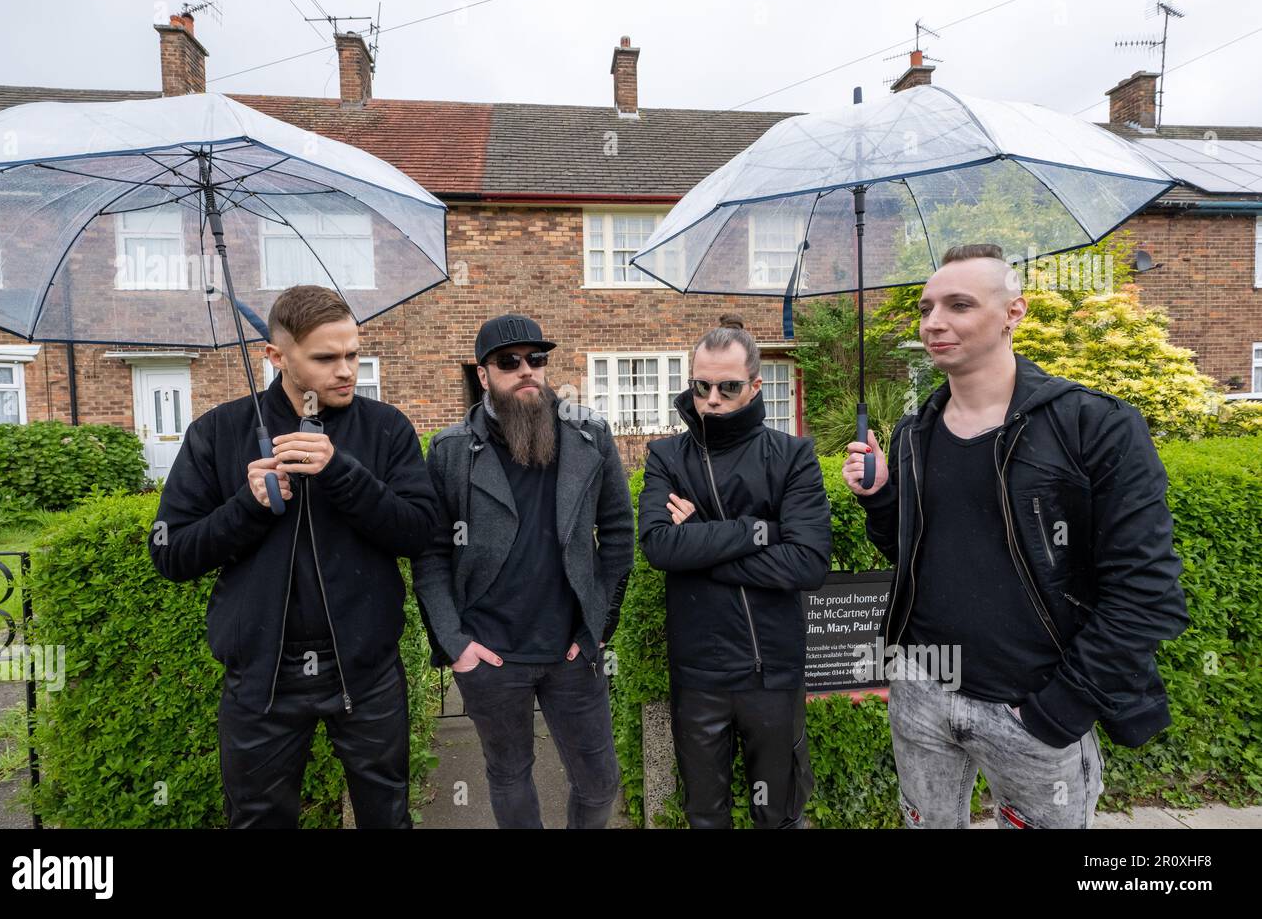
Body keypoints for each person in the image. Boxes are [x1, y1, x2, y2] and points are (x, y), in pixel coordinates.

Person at [843, 243, 1189, 829]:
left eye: (959, 305)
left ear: (1013, 313)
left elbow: (1146, 592)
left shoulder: (1094, 426)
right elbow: (910, 557)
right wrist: (880, 498)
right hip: (923, 691)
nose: (935, 322)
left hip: (1032, 706)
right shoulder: (913, 433)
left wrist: (1061, 708)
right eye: (927, 308)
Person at [149, 284, 437, 828]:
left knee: (386, 813)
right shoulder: (218, 432)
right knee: (258, 819)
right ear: (276, 357)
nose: (347, 370)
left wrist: (343, 473)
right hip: (263, 675)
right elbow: (172, 554)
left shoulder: (386, 427)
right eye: (326, 358)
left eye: (352, 353)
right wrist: (247, 505)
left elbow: (419, 532)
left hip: (365, 669)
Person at [413, 313, 635, 828]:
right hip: (490, 655)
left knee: (600, 782)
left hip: (572, 652)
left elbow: (619, 535)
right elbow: (429, 554)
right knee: (510, 774)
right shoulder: (452, 450)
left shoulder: (589, 435)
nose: (526, 370)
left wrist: (599, 625)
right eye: (508, 362)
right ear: (484, 373)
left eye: (536, 359)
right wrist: (454, 642)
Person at [639, 314, 831, 829]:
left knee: (779, 814)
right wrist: (754, 530)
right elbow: (659, 545)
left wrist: (700, 539)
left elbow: (808, 562)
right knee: (705, 814)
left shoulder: (792, 457)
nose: (712, 399)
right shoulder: (666, 457)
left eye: (727, 387)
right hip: (699, 673)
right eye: (701, 387)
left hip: (772, 671)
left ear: (754, 385)